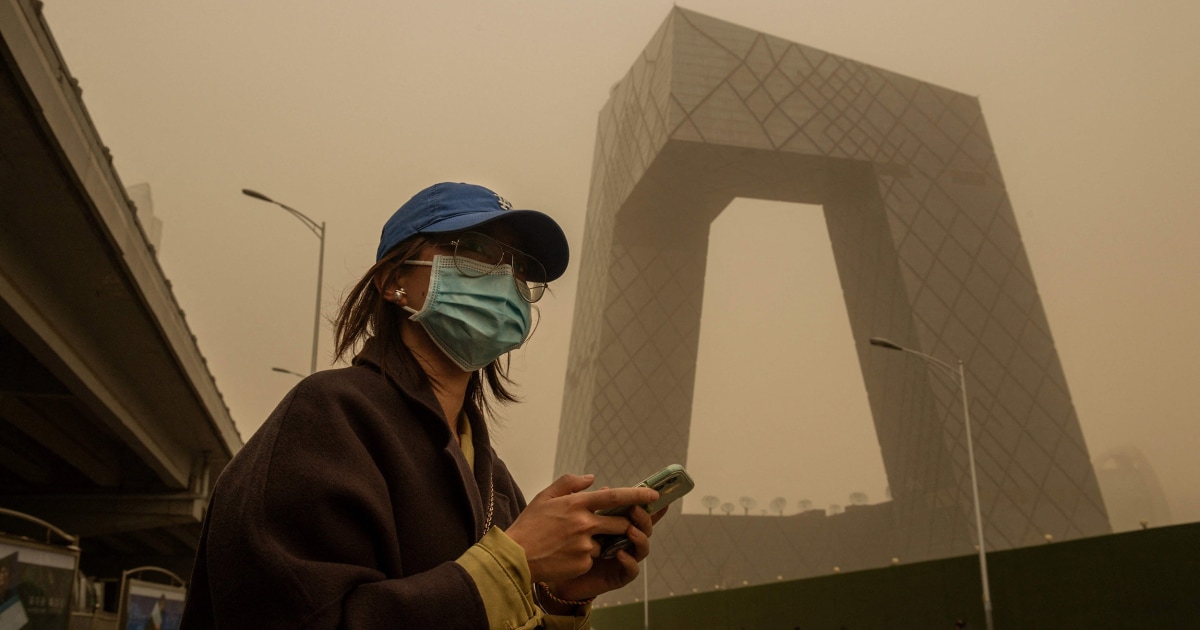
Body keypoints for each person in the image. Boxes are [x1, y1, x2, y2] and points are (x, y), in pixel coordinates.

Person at [180, 182, 663, 629]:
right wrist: (510, 563)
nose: (504, 278)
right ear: (393, 281)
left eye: (520, 268)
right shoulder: (327, 416)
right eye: (474, 250)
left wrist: (557, 599)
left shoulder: (496, 481)